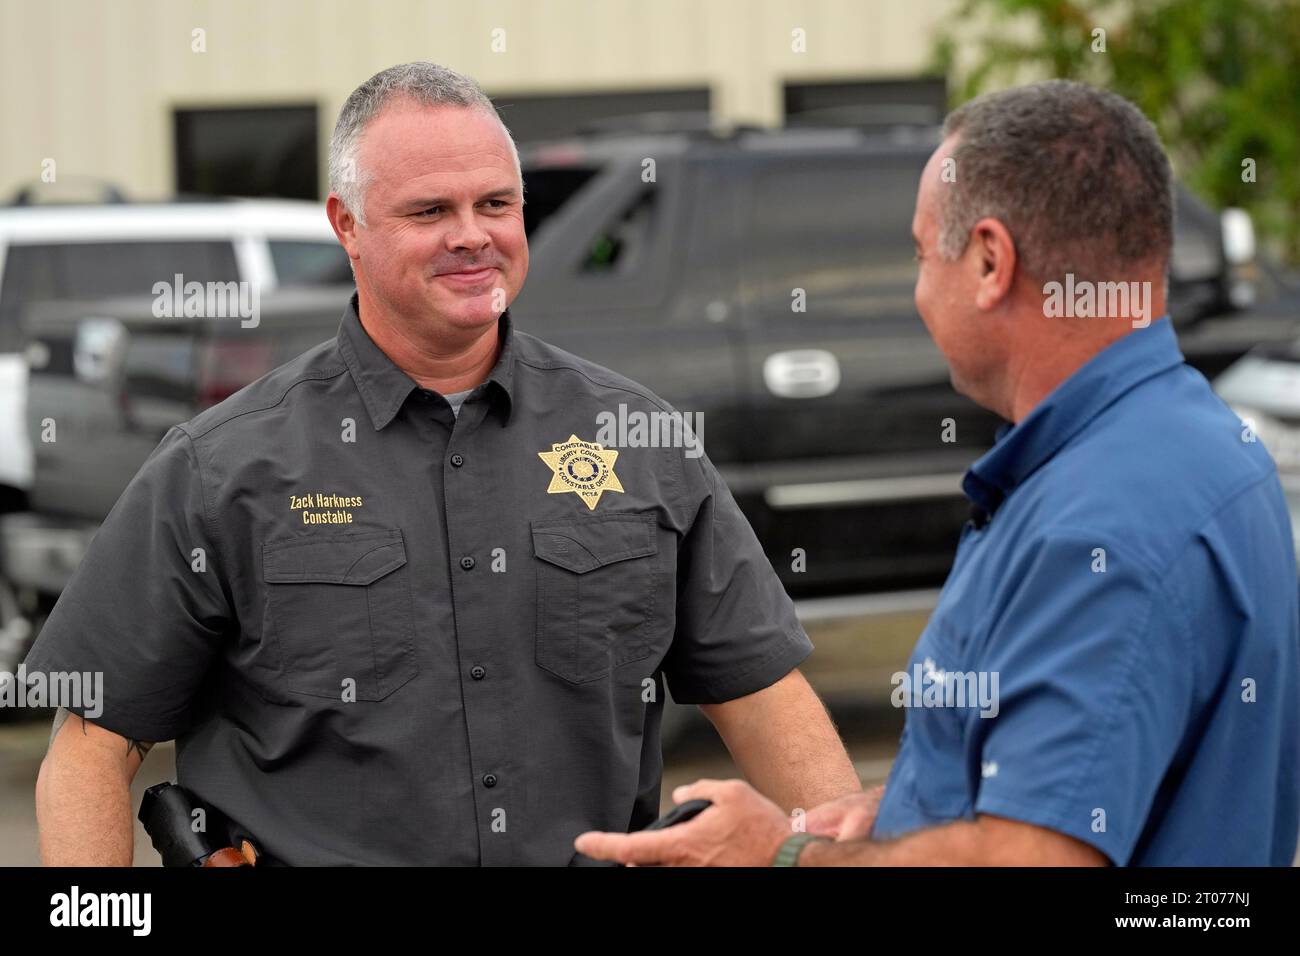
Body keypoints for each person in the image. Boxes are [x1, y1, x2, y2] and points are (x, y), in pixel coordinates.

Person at [26, 61, 860, 866]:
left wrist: (848, 862)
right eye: (429, 210)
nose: (473, 237)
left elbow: (761, 695)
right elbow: (93, 747)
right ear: (346, 224)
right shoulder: (219, 470)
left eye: (496, 202)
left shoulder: (639, 442)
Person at [575, 79, 1300, 867]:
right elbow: (1098, 783)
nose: (920, 294)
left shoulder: (1100, 522)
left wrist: (781, 856)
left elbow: (1031, 860)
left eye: (923, 256)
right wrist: (919, 803)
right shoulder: (1202, 444)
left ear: (990, 260)